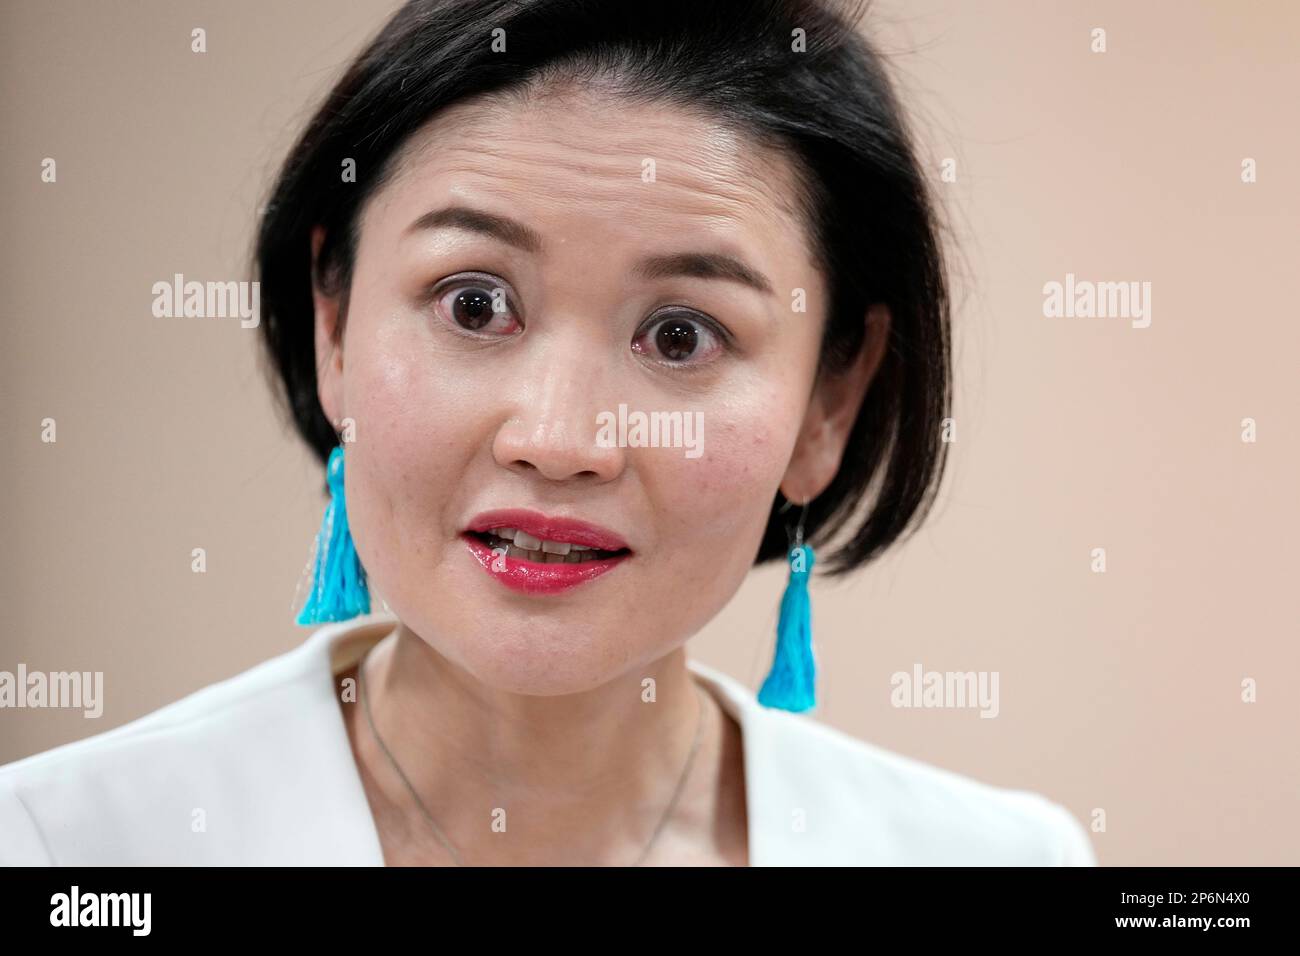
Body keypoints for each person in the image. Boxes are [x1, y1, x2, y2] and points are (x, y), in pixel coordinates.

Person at [0, 0, 1096, 866]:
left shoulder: (998, 860)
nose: (561, 436)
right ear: (333, 325)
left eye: (681, 333)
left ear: (829, 403)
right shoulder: (62, 847)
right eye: (474, 303)